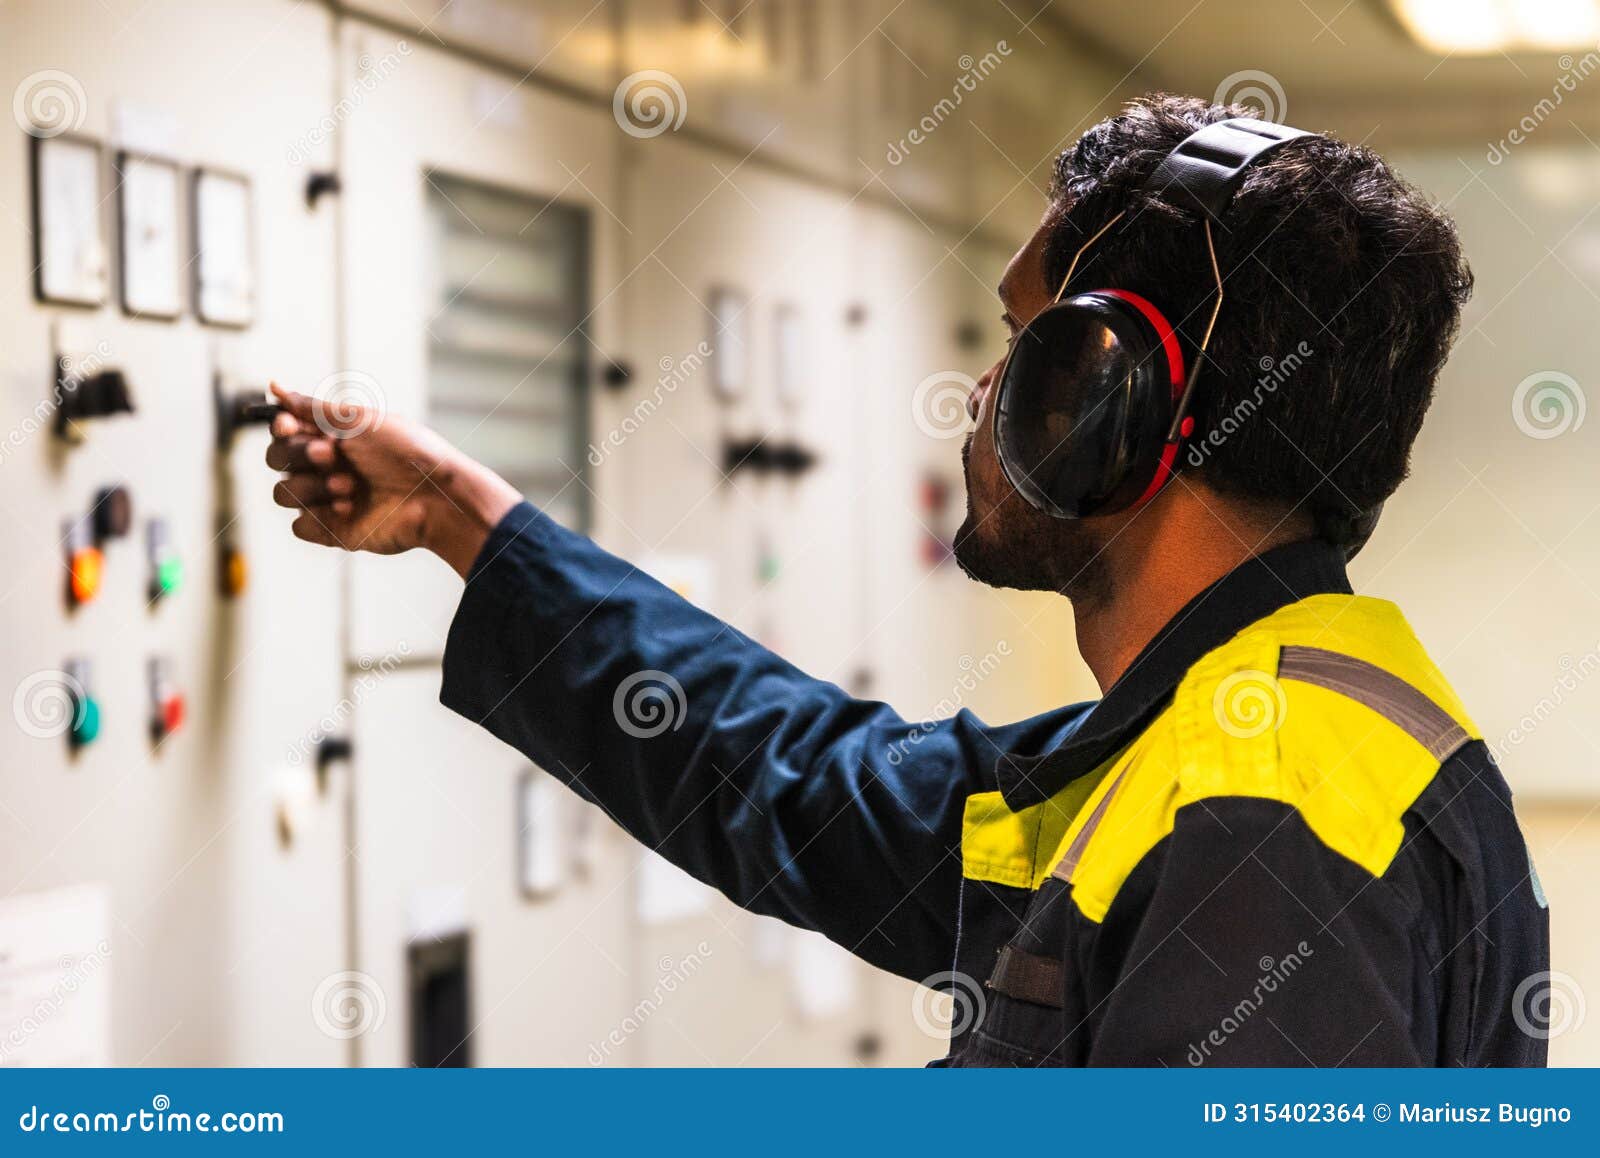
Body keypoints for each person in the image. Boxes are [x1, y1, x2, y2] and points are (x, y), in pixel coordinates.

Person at [265, 94, 1548, 1066]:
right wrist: (464, 520)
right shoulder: (1233, 732)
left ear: (1108, 399)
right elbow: (809, 784)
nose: (983, 392)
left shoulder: (1261, 816)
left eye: (1021, 341)